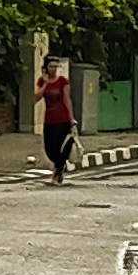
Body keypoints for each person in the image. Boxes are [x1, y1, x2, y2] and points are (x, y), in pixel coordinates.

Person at [38, 52, 78, 186]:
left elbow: (67, 100)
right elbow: (36, 97)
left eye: (56, 67)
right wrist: (45, 84)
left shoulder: (63, 81)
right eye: (51, 67)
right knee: (49, 150)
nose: (53, 69)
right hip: (49, 119)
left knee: (58, 147)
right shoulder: (42, 81)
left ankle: (57, 172)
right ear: (45, 68)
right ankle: (60, 168)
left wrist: (71, 119)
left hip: (62, 119)